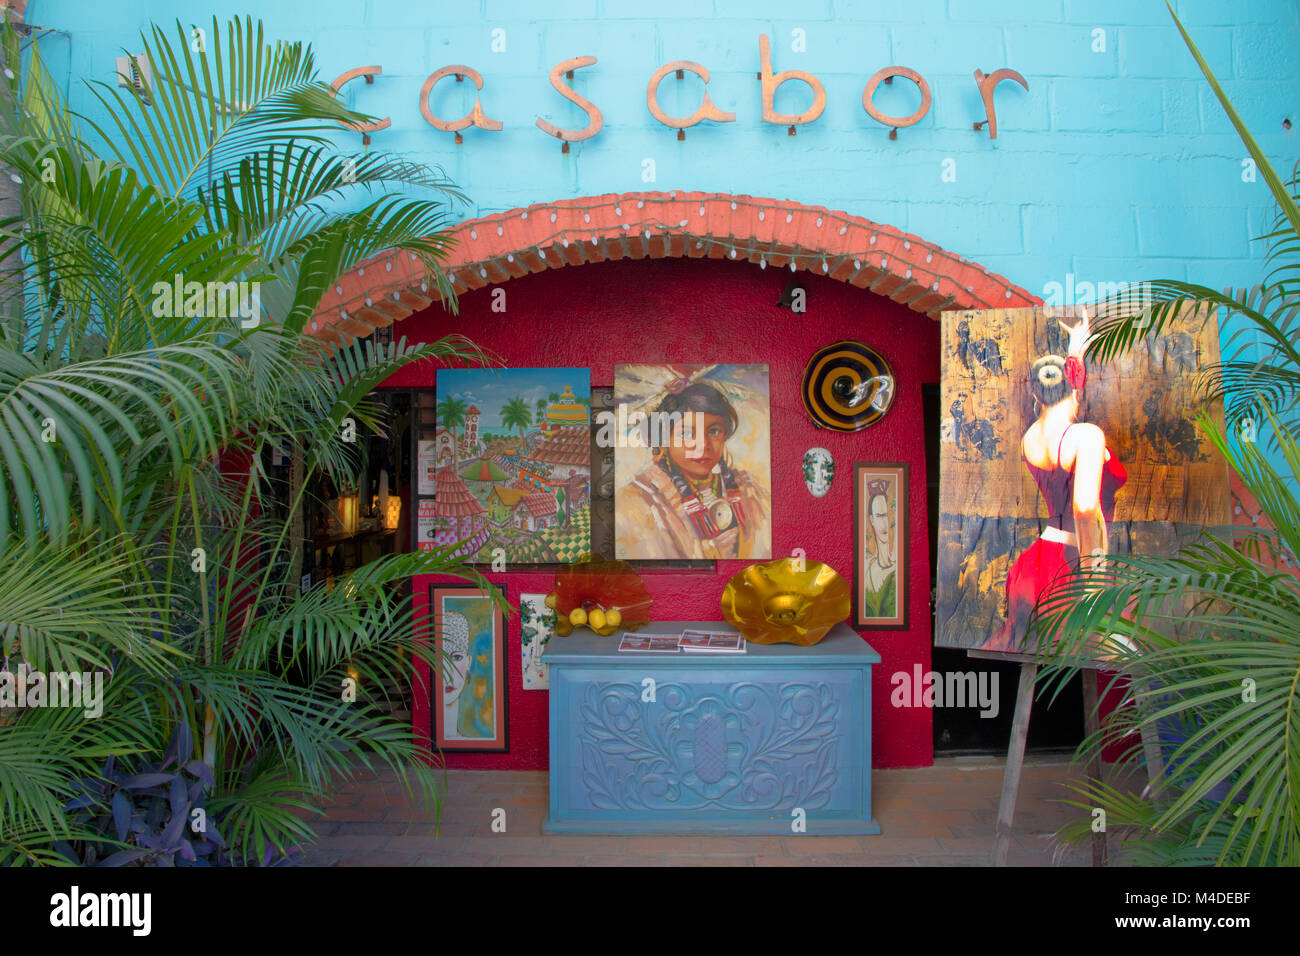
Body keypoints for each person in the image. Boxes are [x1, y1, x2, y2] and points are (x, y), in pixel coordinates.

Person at [987, 309, 1128, 653]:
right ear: (1077, 387)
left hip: (1033, 566)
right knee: (1121, 653)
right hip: (1074, 567)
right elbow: (1084, 509)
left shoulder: (1031, 437)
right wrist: (1095, 582)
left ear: (1036, 396)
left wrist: (1074, 351)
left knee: (1036, 657)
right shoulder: (1086, 436)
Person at [616, 382, 771, 560]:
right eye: (687, 434)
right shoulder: (636, 504)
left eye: (714, 431)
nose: (703, 445)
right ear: (664, 439)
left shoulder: (748, 489)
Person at [860, 479, 898, 619]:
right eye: (880, 516)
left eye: (886, 515)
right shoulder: (868, 569)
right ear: (872, 520)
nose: (884, 523)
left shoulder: (897, 568)